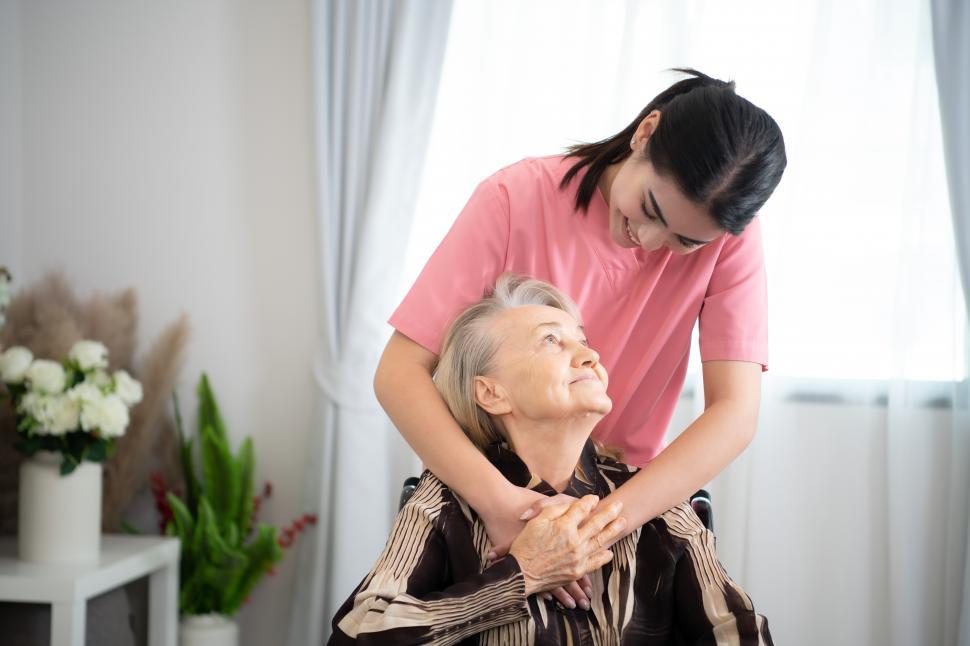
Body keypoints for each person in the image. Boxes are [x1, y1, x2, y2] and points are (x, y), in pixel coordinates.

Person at [375, 68, 787, 607]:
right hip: (489, 489)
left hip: (623, 501)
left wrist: (593, 531)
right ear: (645, 132)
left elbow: (735, 413)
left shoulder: (728, 240)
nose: (653, 241)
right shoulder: (514, 197)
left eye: (685, 240)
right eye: (653, 209)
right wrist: (503, 507)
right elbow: (398, 373)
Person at [330, 274, 773, 645]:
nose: (590, 355)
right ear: (491, 392)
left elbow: (741, 633)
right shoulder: (445, 504)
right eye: (550, 341)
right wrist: (519, 576)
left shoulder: (659, 504)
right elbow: (357, 633)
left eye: (582, 341)